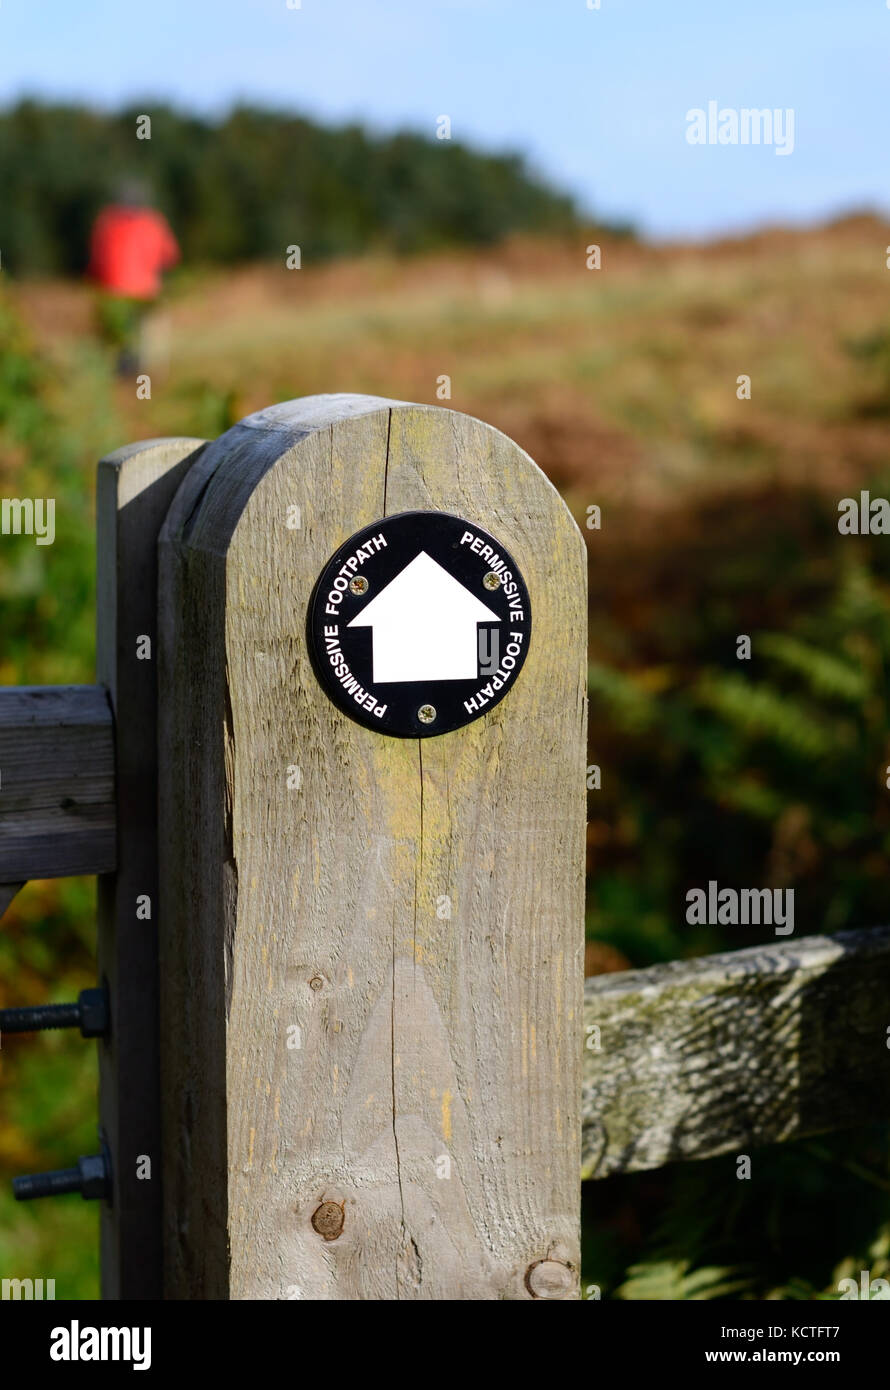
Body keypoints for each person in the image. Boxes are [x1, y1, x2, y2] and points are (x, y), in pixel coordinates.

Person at [87, 181, 179, 375]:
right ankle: (150, 374)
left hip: (113, 291)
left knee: (120, 335)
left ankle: (125, 370)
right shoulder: (153, 222)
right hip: (145, 291)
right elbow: (171, 255)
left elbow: (96, 259)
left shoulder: (106, 222)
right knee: (152, 328)